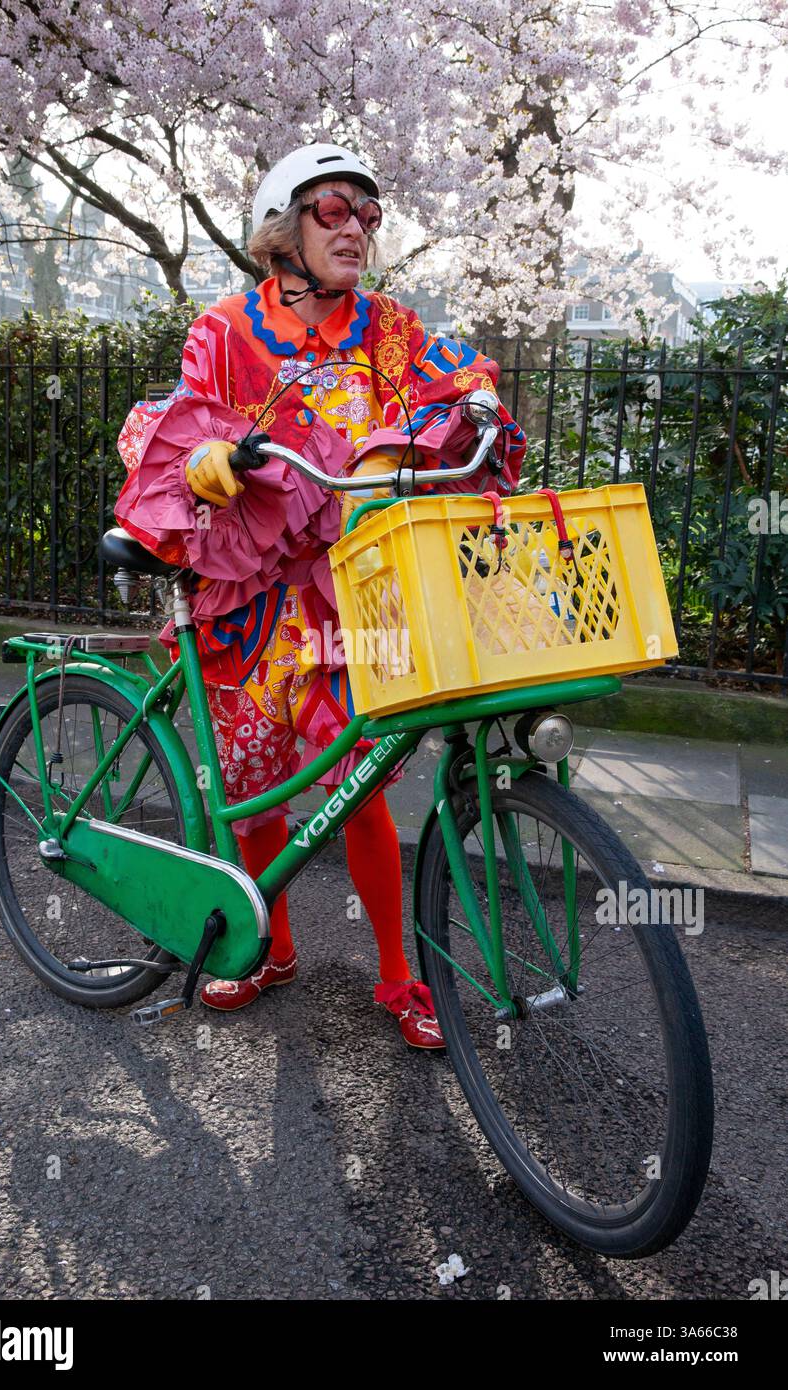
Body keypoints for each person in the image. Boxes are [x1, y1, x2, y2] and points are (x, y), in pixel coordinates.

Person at [114, 143, 526, 1049]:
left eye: (369, 215)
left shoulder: (389, 329)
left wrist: (393, 444)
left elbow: (468, 381)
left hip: (354, 594)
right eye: (335, 210)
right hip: (250, 605)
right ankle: (273, 950)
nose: (357, 230)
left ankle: (400, 975)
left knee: (362, 783)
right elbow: (167, 427)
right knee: (257, 795)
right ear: (283, 228)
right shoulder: (223, 330)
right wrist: (205, 461)